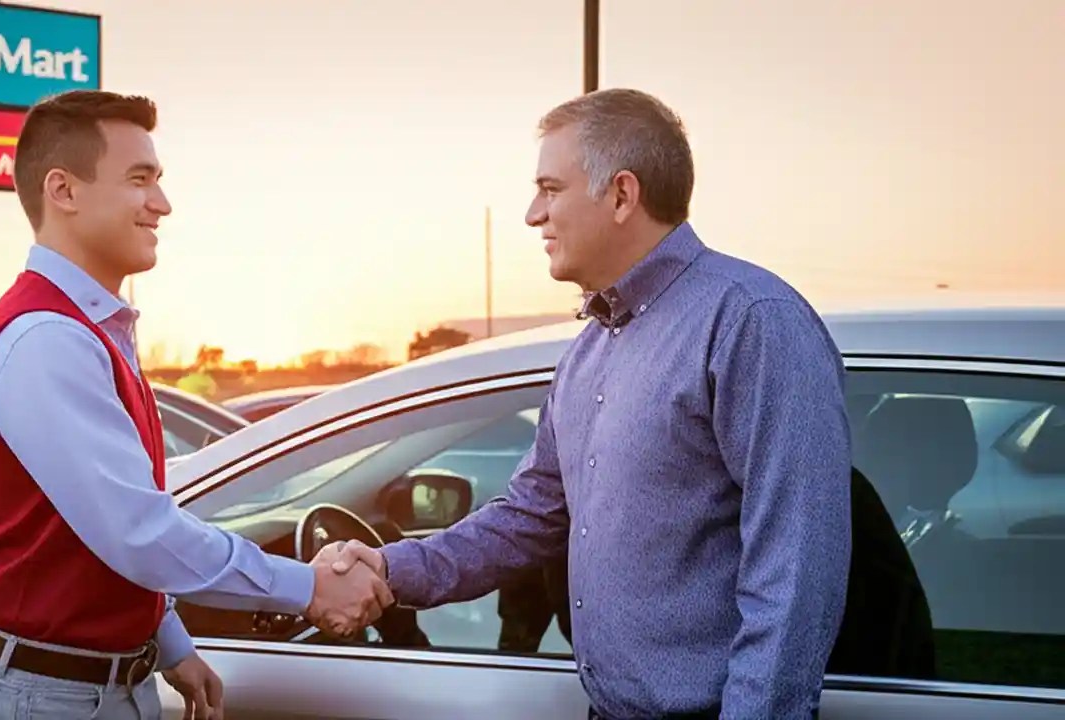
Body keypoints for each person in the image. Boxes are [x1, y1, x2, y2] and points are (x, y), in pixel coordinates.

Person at [325, 88, 853, 719]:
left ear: (622, 195)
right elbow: (531, 515)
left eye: (550, 189)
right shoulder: (587, 351)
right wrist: (390, 568)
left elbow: (796, 568)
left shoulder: (751, 322)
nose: (533, 215)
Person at [0, 90, 392, 720]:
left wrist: (168, 640)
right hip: (42, 698)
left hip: (85, 686)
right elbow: (137, 531)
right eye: (139, 179)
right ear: (63, 191)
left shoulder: (85, 329)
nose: (162, 203)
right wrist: (306, 586)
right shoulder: (47, 338)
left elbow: (90, 534)